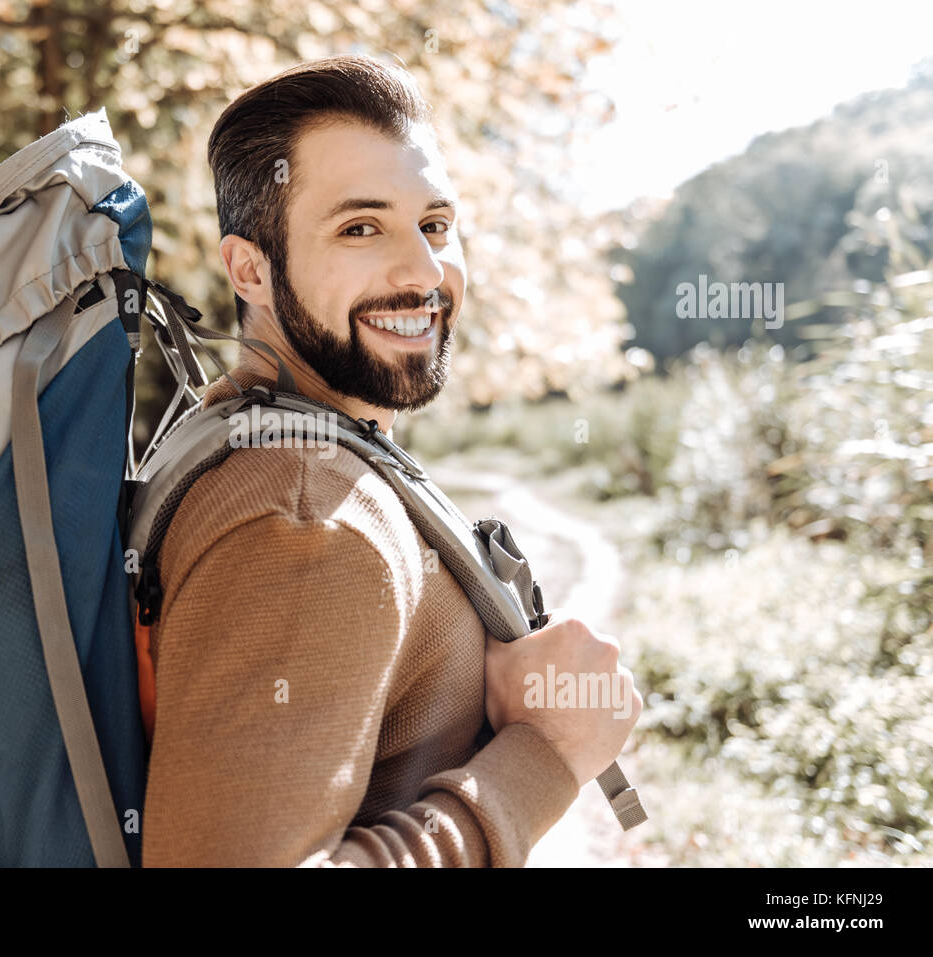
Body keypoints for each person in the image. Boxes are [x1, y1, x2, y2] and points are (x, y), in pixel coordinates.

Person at [140, 54, 641, 866]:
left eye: (435, 225)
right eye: (360, 227)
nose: (423, 273)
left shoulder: (238, 431)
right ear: (250, 268)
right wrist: (545, 755)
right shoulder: (306, 511)